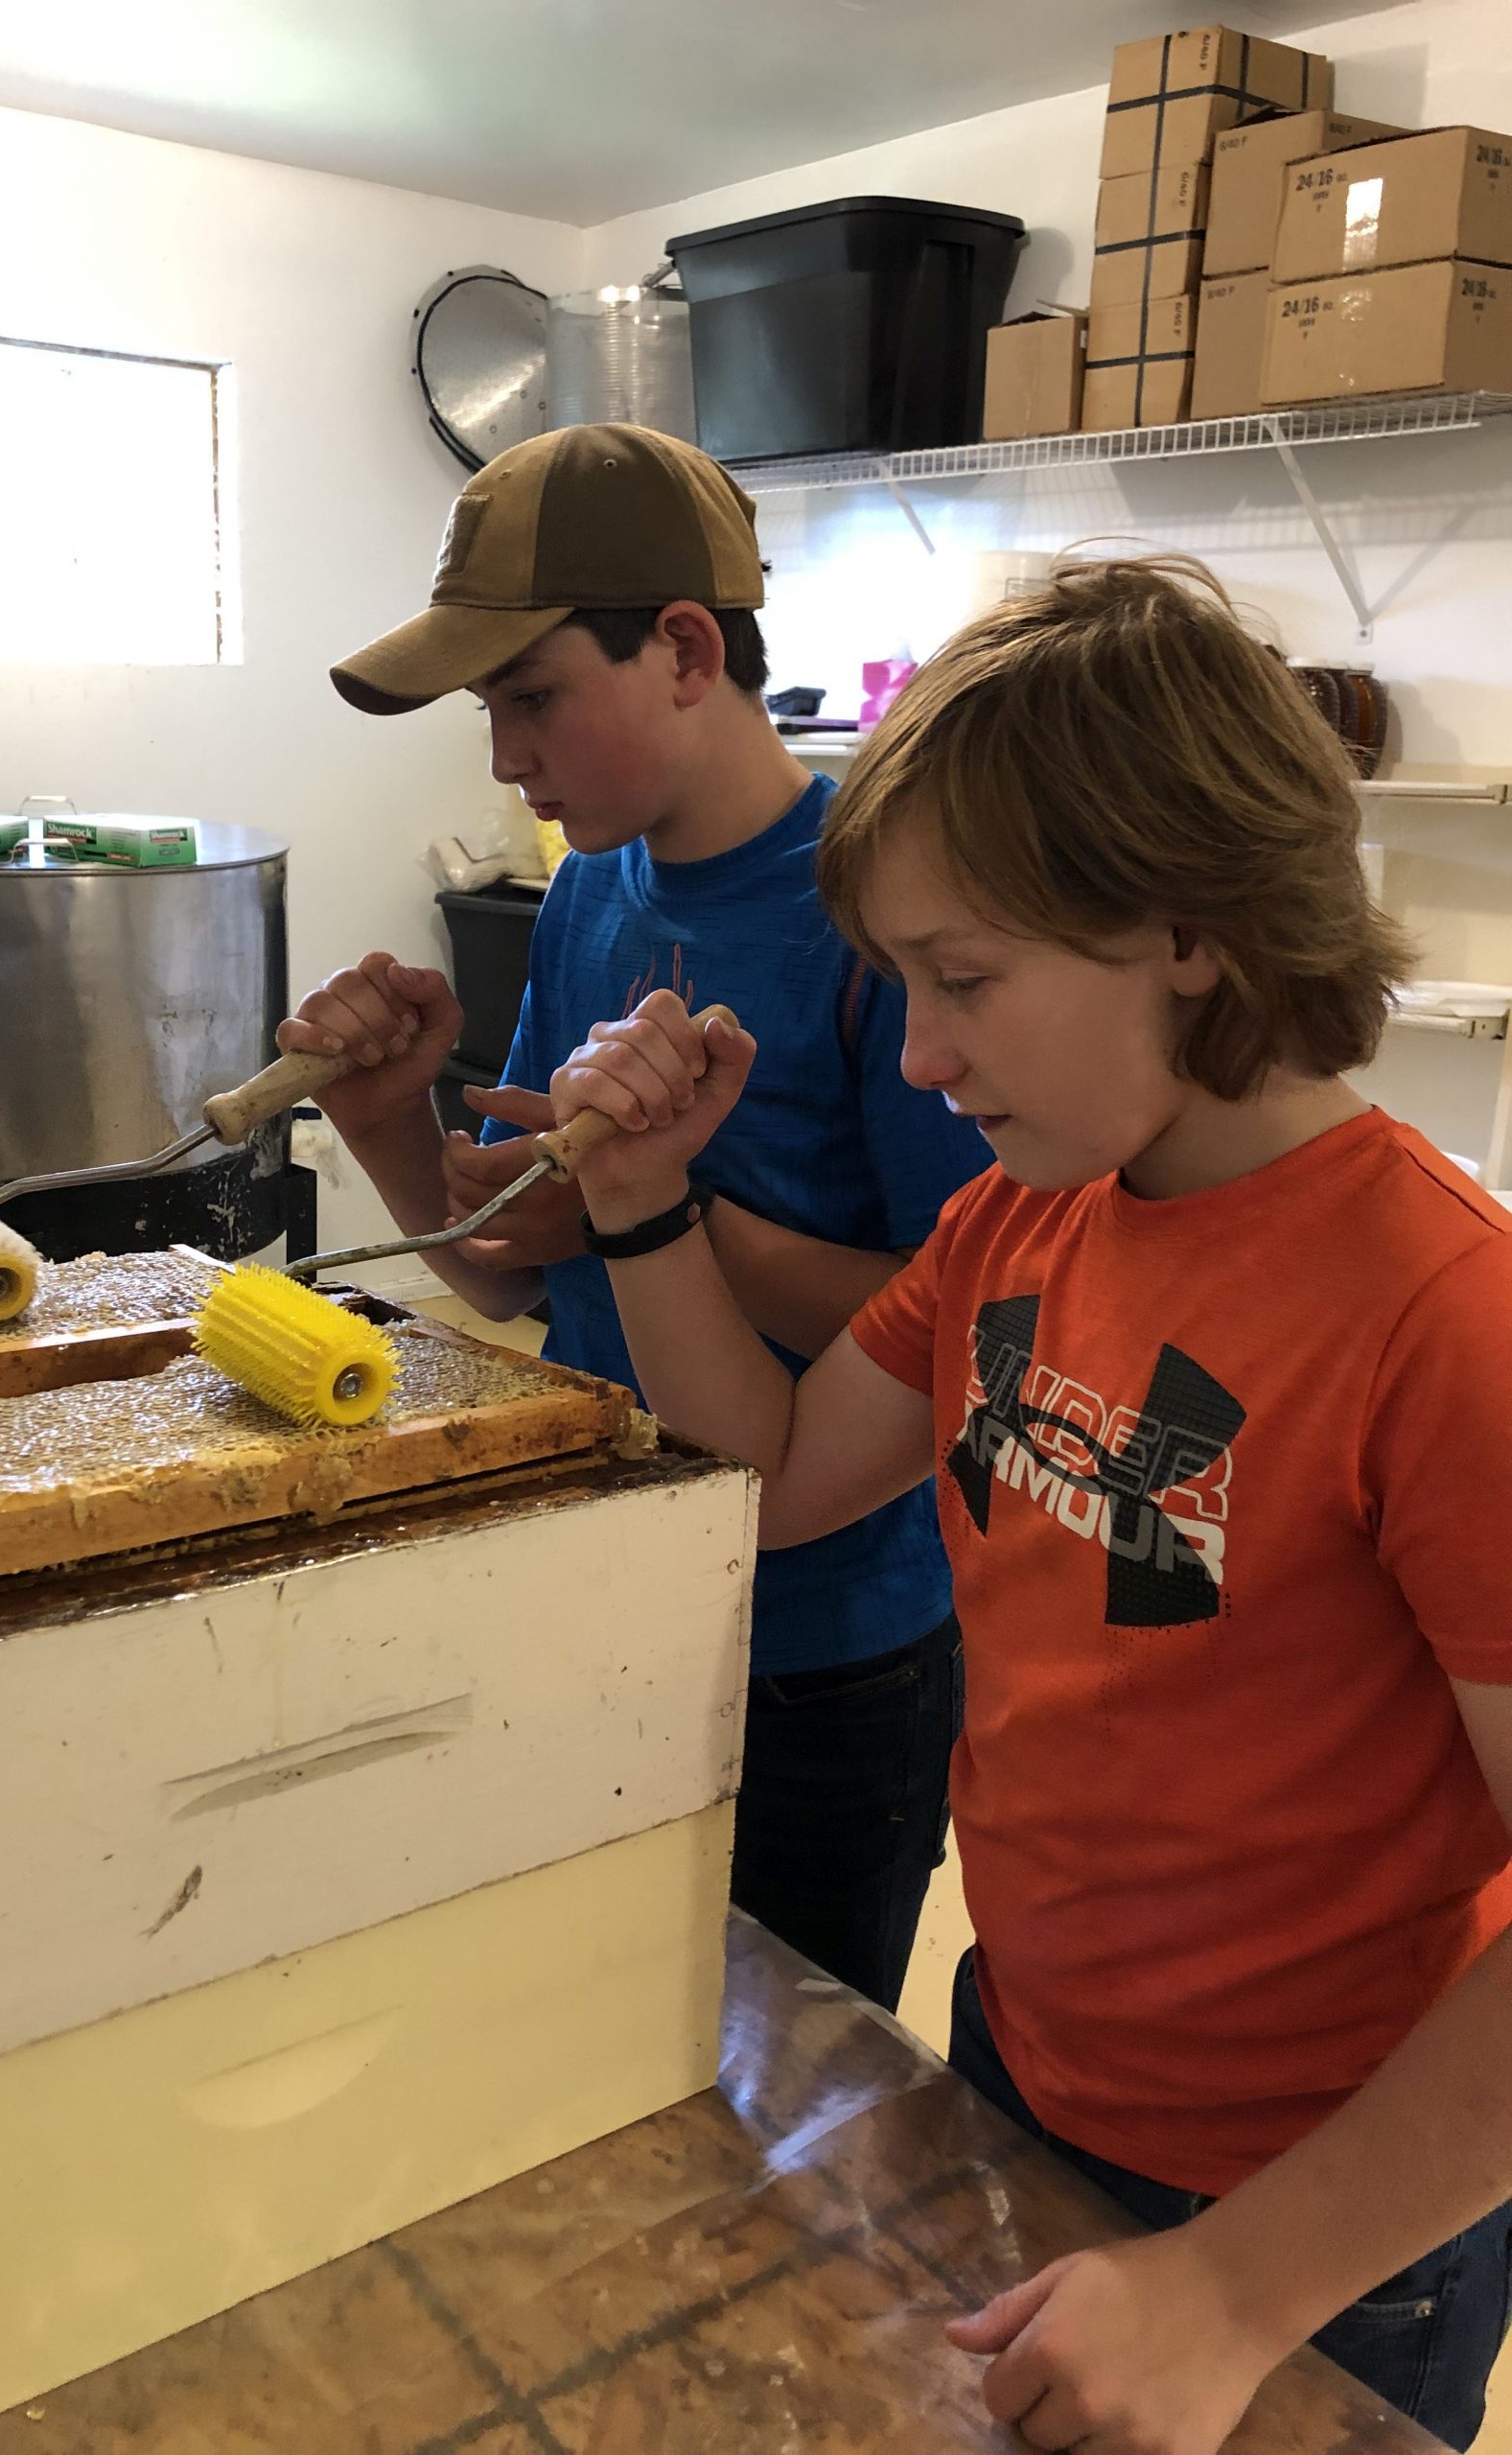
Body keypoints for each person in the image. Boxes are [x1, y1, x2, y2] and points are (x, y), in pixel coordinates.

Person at [537, 555, 1512, 2455]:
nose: (917, 1054)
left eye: (964, 979)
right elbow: (786, 1475)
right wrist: (645, 1200)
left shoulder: (1443, 1313)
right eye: (900, 983)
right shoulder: (1021, 1218)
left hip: (1319, 2210)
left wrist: (1238, 2286)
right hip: (1029, 2062)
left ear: (1194, 931)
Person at [281, 421, 990, 2007]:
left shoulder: (884, 913)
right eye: (489, 711)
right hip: (605, 1569)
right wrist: (389, 1114)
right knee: (593, 2038)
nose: (504, 757)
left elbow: (970, 1331)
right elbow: (511, 1271)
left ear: (684, 649)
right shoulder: (594, 887)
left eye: (530, 698)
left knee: (797, 2123)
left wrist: (662, 1208)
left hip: (821, 1646)